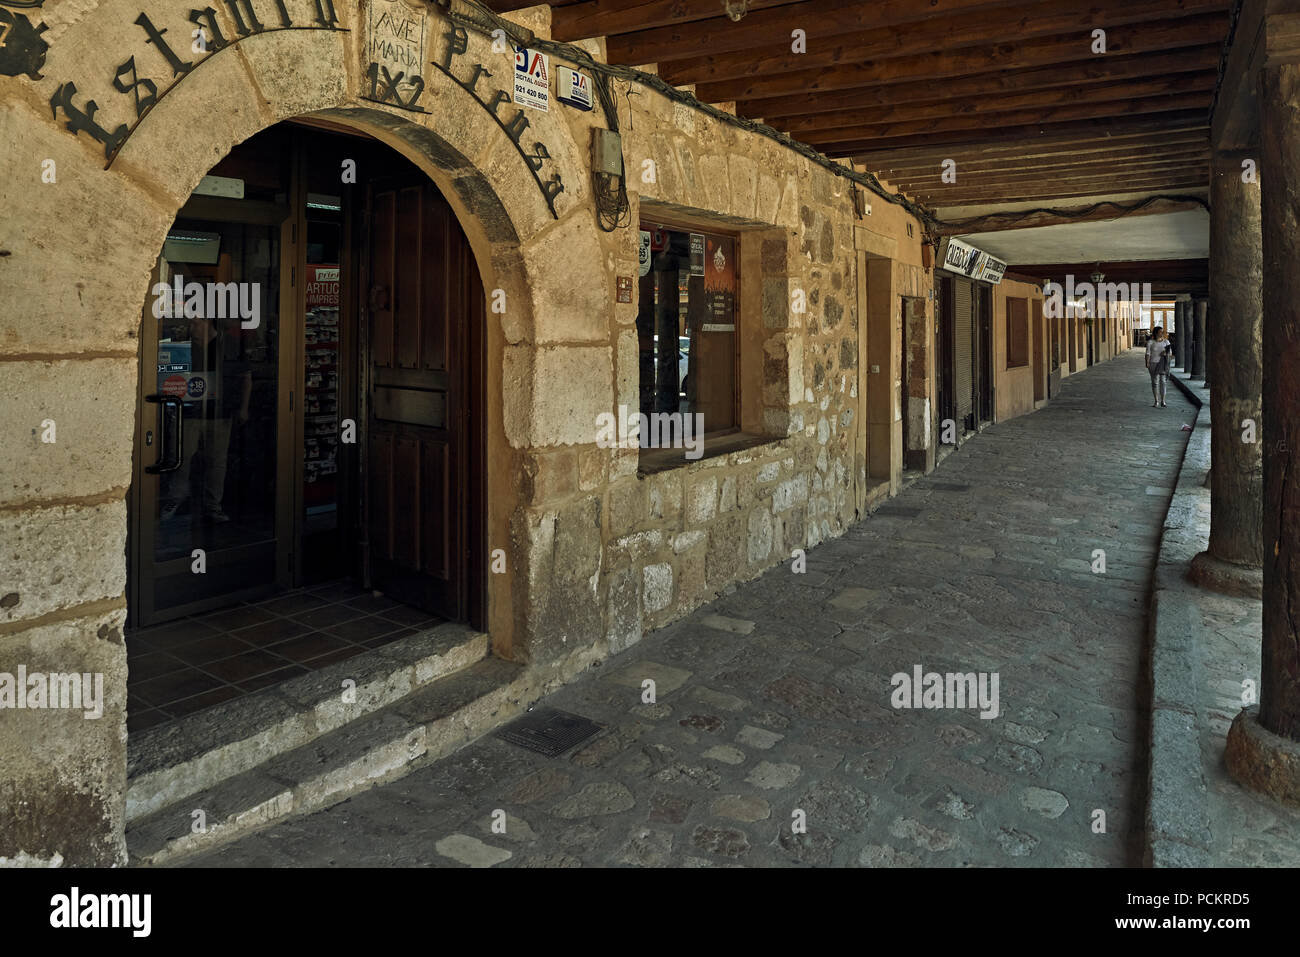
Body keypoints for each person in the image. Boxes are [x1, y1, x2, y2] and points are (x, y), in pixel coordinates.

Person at [1145, 325, 1173, 408]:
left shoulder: (1166, 342)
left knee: (1163, 382)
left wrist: (1165, 353)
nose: (1162, 333)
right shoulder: (1151, 342)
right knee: (1155, 382)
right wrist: (1147, 363)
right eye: (1160, 332)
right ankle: (1156, 401)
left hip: (1163, 363)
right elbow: (1148, 353)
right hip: (1153, 363)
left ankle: (1163, 401)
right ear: (1156, 333)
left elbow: (1170, 353)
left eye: (1162, 332)